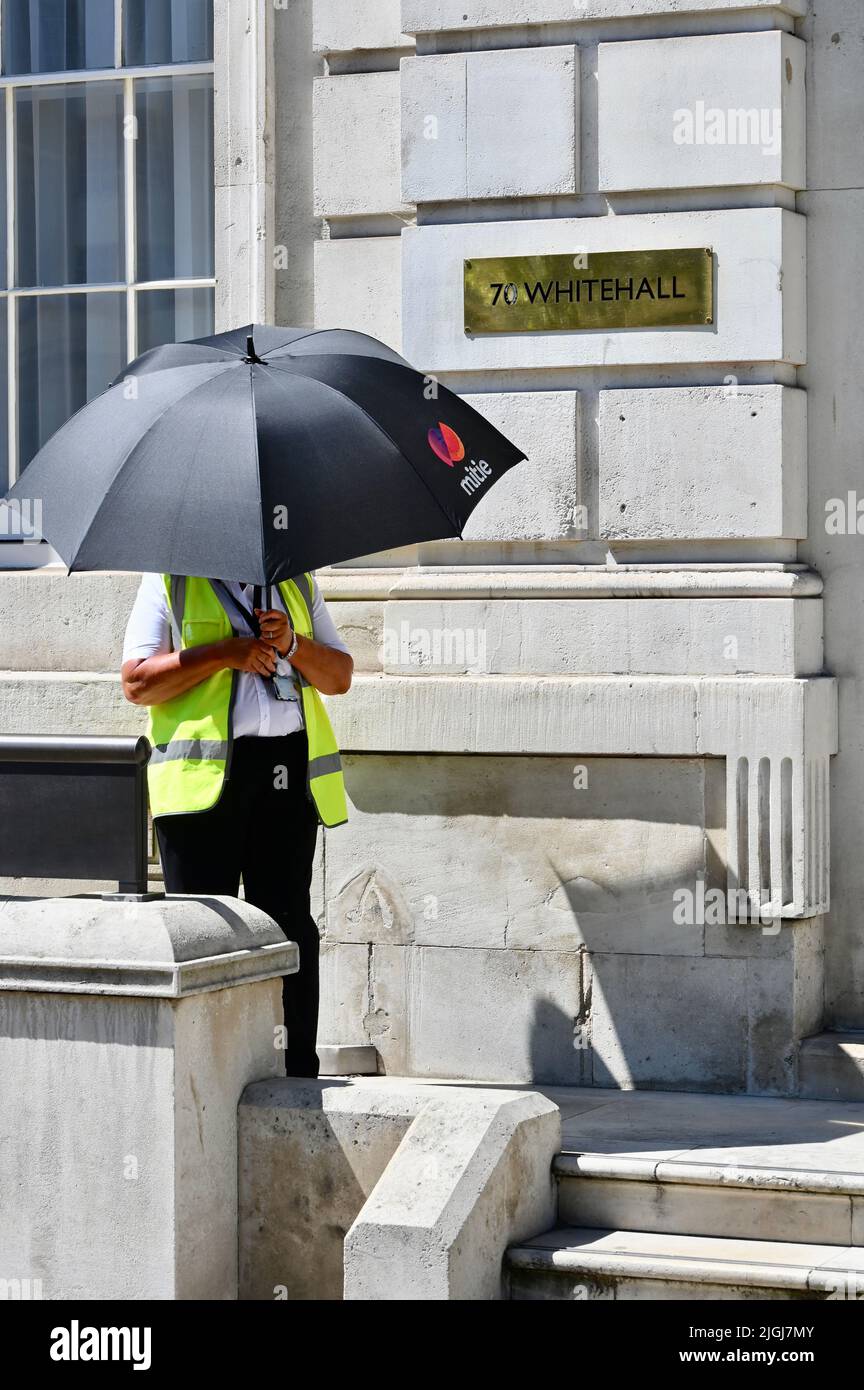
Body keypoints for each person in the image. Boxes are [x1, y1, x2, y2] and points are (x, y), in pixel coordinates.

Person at [121, 571, 353, 1078]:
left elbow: (339, 677)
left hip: (286, 771)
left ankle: (296, 1075)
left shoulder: (295, 584)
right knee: (201, 935)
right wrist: (224, 654)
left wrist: (293, 643)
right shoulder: (170, 581)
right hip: (202, 784)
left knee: (289, 924)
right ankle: (205, 1078)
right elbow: (136, 683)